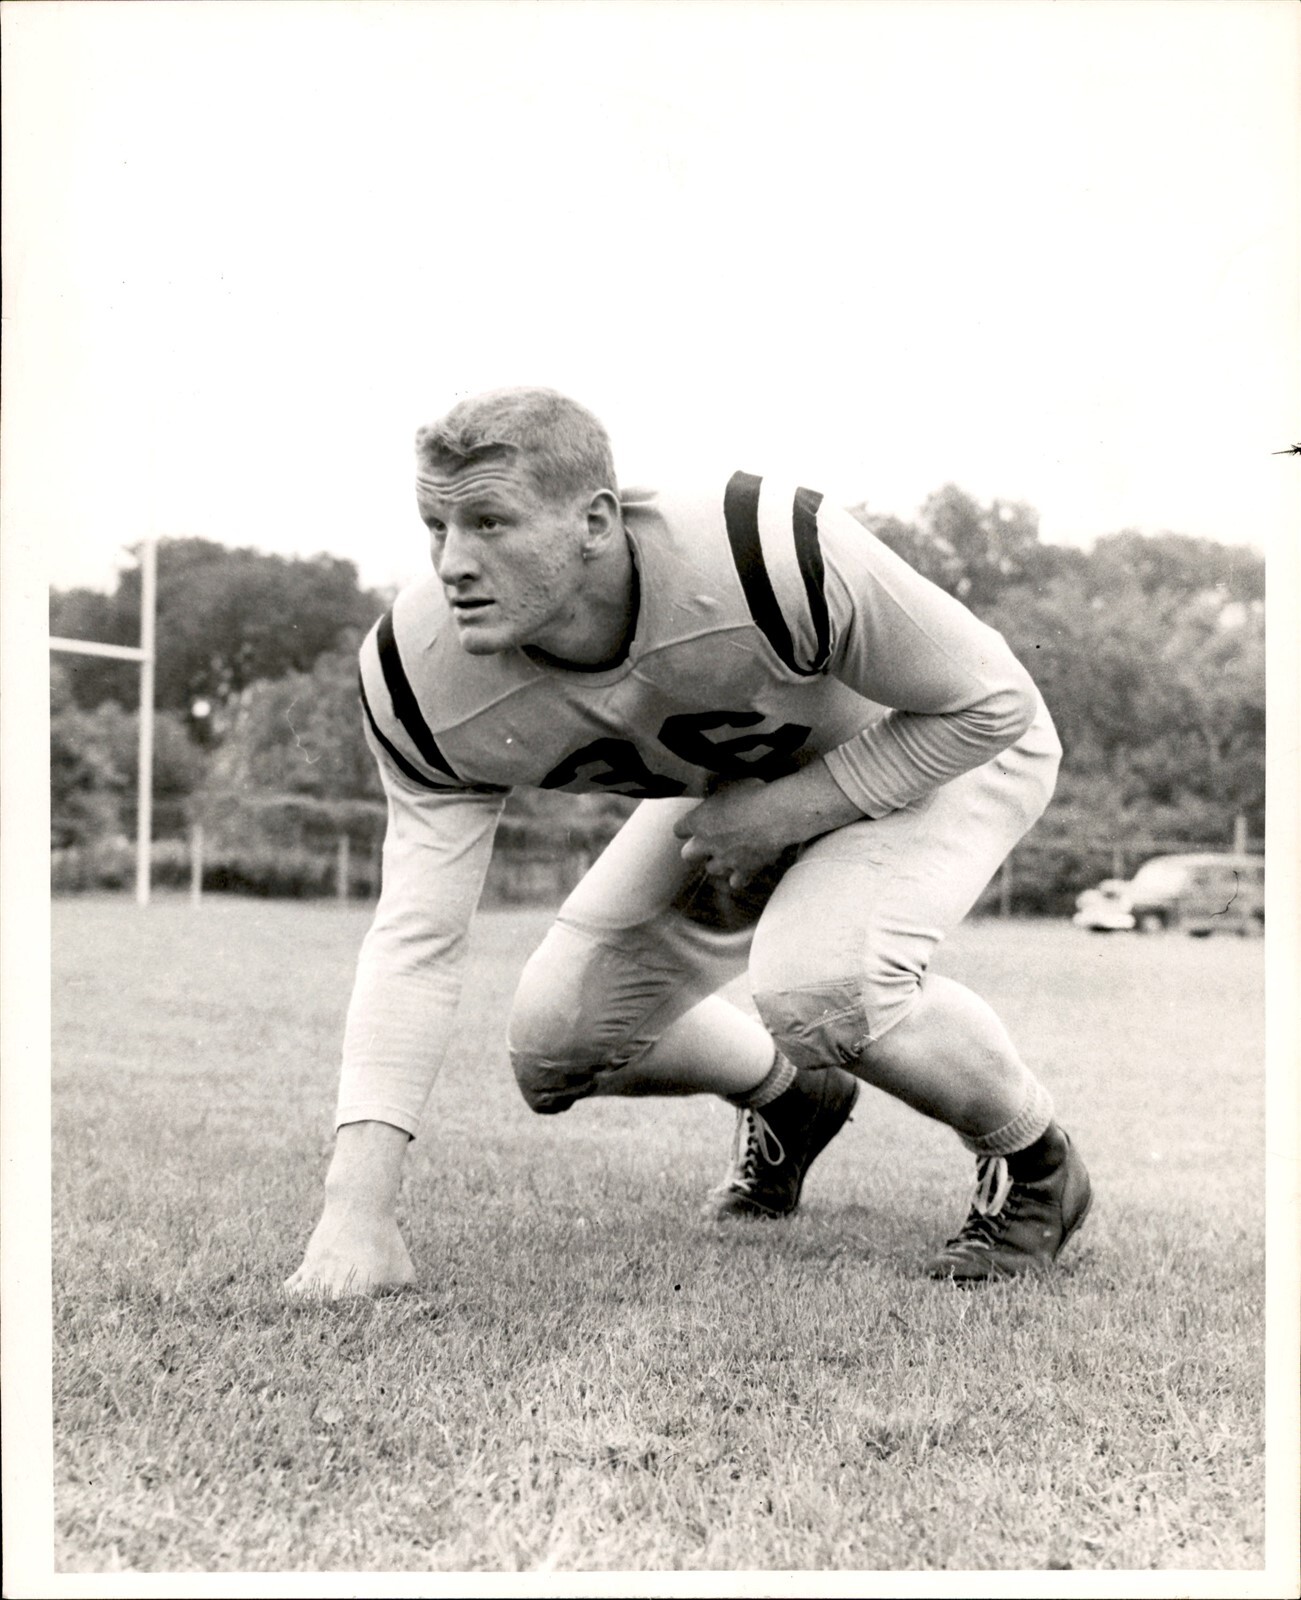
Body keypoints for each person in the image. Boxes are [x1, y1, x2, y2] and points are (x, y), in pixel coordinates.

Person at [285, 387, 1090, 1298]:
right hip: (738, 790)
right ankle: (791, 1096)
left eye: (489, 523)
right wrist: (356, 1212)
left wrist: (789, 811)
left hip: (935, 745)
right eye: (436, 526)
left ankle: (1034, 1161)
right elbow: (415, 938)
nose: (452, 563)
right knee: (556, 1044)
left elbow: (991, 703)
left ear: (594, 521)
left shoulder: (759, 549)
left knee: (818, 986)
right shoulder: (417, 675)